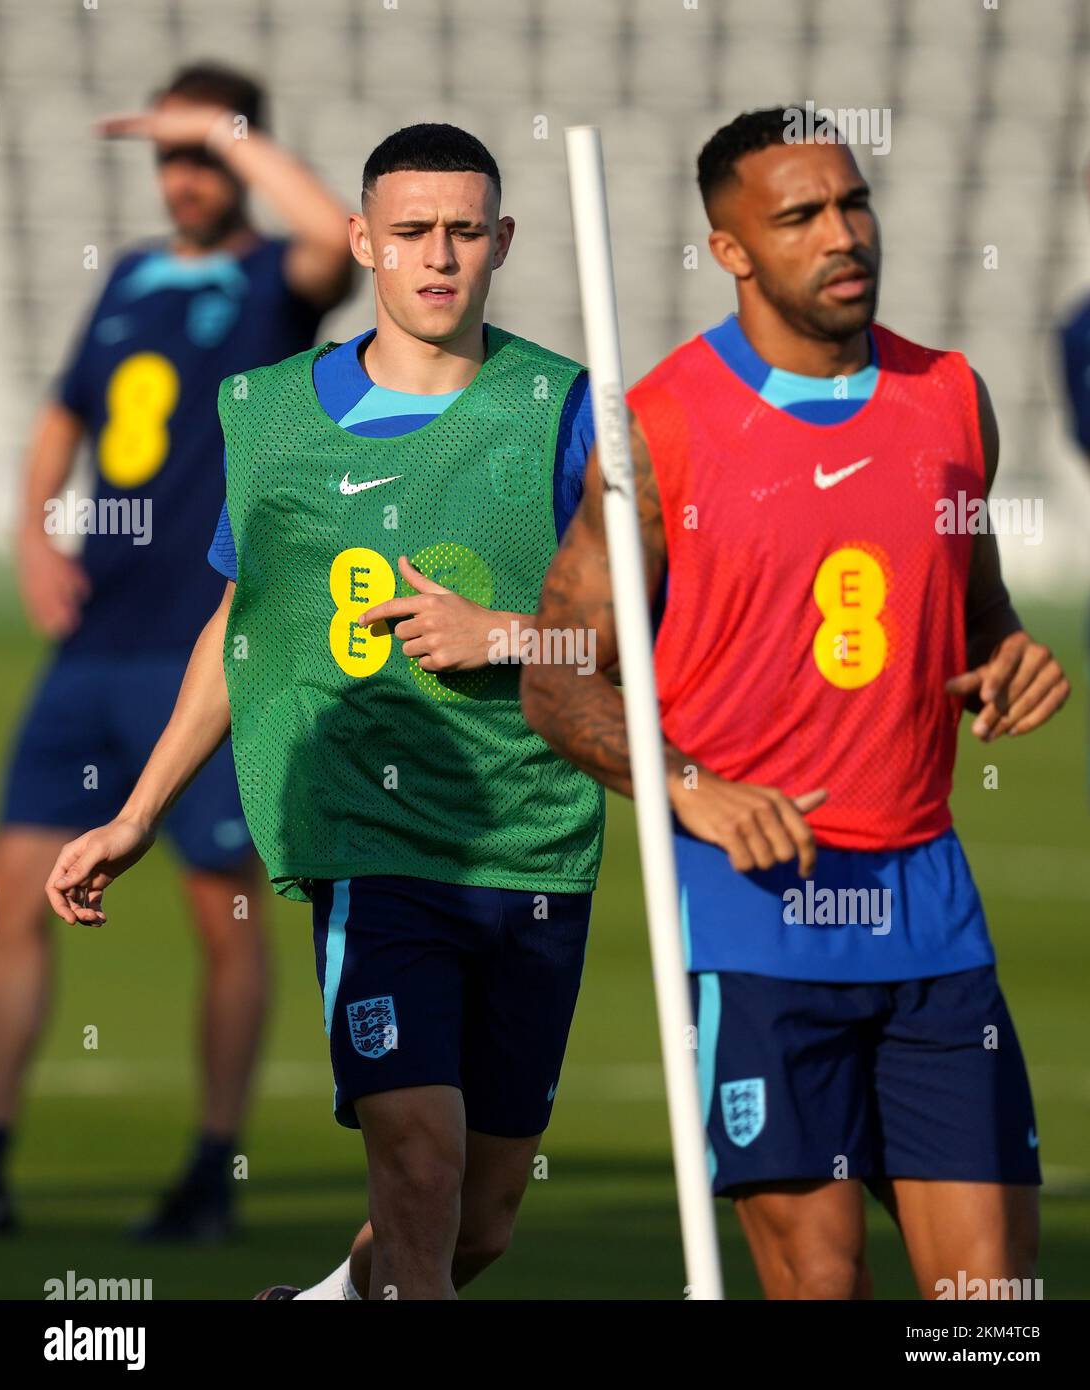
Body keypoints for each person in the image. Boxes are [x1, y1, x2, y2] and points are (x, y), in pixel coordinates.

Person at [45, 123, 605, 1301]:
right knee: (418, 1160)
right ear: (361, 241)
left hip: (533, 843)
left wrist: (508, 638)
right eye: (411, 231)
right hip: (366, 843)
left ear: (501, 241)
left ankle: (329, 1299)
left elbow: (643, 637)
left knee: (477, 1221)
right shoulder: (266, 412)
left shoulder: (565, 409)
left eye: (463, 231)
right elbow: (242, 622)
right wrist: (139, 811)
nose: (438, 256)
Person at [522, 108, 1070, 1299]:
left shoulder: (950, 396)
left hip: (927, 901)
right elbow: (559, 671)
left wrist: (1011, 652)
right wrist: (689, 791)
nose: (843, 235)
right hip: (754, 913)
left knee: (993, 1304)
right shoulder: (656, 427)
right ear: (730, 250)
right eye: (800, 217)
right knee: (819, 1283)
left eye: (852, 203)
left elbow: (977, 608)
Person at [0, 61, 354, 1241]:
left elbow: (336, 242)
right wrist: (35, 524)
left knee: (223, 911)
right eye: (174, 155)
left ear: (240, 155)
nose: (185, 175)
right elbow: (63, 414)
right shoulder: (136, 280)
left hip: (200, 641)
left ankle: (211, 1164)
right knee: (10, 898)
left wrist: (234, 133)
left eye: (204, 154)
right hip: (93, 642)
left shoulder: (270, 281)